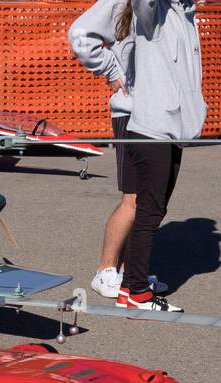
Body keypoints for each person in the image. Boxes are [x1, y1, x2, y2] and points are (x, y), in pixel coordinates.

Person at [70, 0, 206, 313]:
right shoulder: (150, 8)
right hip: (143, 120)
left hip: (169, 123)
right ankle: (122, 280)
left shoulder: (182, 12)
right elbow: (80, 33)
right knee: (140, 204)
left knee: (147, 206)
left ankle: (132, 278)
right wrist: (113, 71)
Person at [69, 0, 167, 299]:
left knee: (146, 199)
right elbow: (80, 35)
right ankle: (105, 271)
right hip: (131, 113)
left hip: (157, 114)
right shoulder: (119, 2)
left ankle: (126, 272)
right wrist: (112, 72)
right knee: (133, 198)